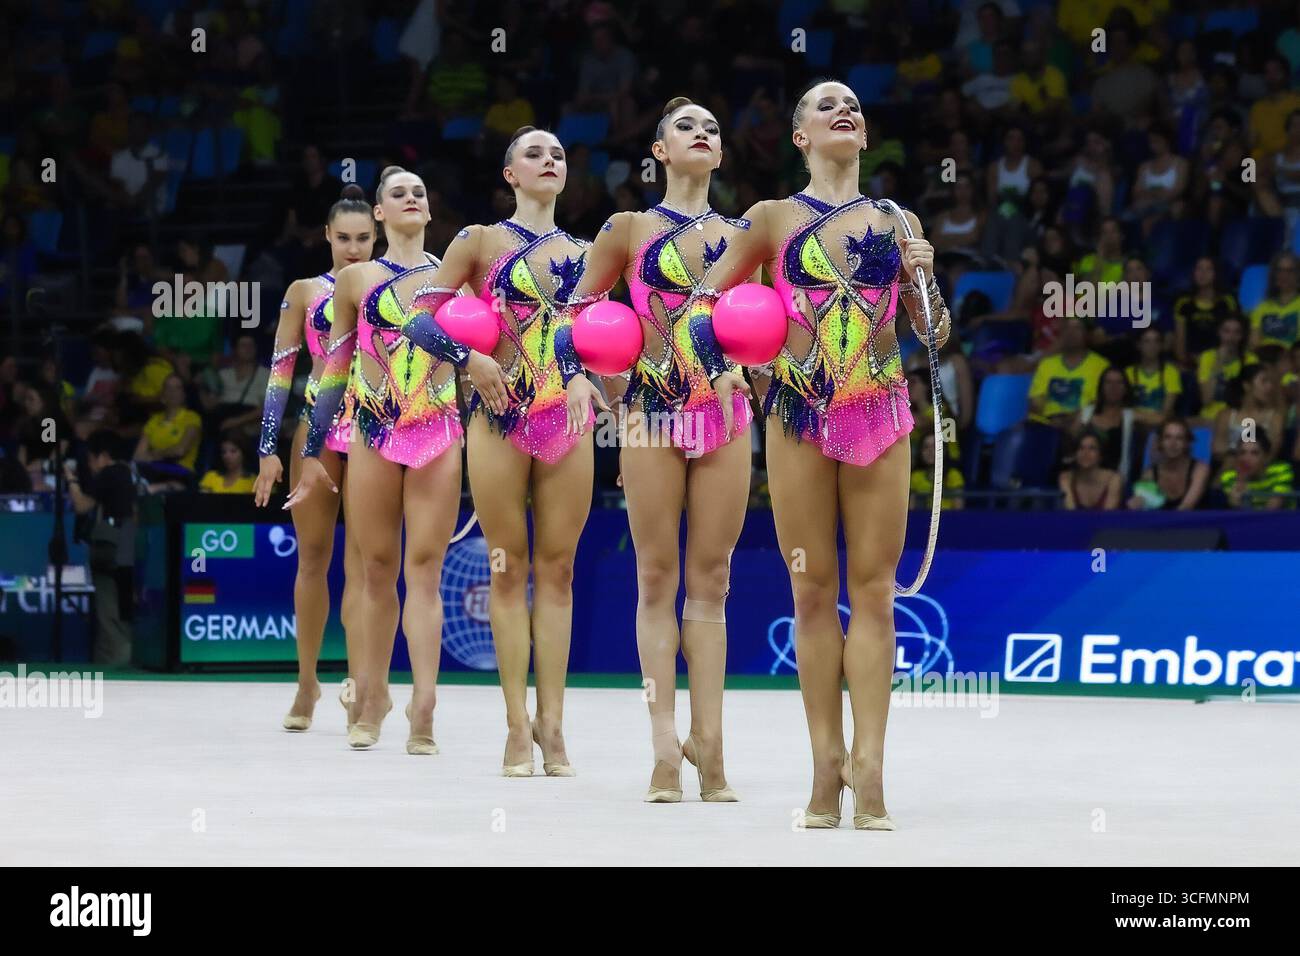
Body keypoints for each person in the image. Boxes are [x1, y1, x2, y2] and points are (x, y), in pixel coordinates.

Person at [694, 79, 951, 829]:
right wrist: (731, 367)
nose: (846, 110)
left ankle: (870, 768)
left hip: (880, 413)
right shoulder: (771, 219)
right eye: (824, 105)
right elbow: (705, 305)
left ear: (864, 138)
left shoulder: (896, 219)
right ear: (800, 136)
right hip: (798, 413)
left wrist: (921, 280)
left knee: (873, 594)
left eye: (856, 108)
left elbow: (931, 339)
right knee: (812, 593)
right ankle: (824, 764)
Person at [337, 130, 596, 777]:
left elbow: (588, 332)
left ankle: (552, 728)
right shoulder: (476, 242)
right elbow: (422, 322)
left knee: (558, 572)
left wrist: (590, 373)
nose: (549, 161)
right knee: (494, 570)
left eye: (559, 154)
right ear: (509, 172)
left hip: (557, 417)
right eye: (534, 154)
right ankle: (509, 727)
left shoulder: (585, 252)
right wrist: (469, 356)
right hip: (491, 415)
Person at [561, 98, 754, 802]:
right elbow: (571, 315)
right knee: (655, 579)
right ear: (660, 151)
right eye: (686, 127)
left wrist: (749, 370)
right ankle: (663, 746)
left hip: (725, 416)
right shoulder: (628, 228)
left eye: (713, 127)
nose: (702, 133)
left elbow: (763, 330)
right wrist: (580, 376)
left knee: (714, 581)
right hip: (648, 415)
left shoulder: (745, 234)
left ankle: (714, 747)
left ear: (720, 154)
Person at [288, 166, 506, 755]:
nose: (411, 199)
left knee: (425, 568)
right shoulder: (357, 279)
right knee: (376, 566)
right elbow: (333, 370)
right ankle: (371, 696)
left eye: (420, 192)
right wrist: (311, 454)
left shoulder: (459, 280)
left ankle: (425, 705)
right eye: (398, 194)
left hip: (437, 431)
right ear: (378, 213)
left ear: (430, 211)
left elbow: (490, 361)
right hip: (371, 431)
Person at [256, 185, 373, 732]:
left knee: (362, 568)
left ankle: (357, 687)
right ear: (327, 236)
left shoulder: (389, 286)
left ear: (376, 235)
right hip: (317, 435)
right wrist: (267, 450)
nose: (353, 249)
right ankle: (306, 682)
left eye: (363, 238)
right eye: (344, 238)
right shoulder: (304, 291)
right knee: (313, 558)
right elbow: (281, 369)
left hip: (376, 431)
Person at [67, 430, 138, 665]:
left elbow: (82, 506)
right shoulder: (133, 473)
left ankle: (114, 660)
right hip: (130, 539)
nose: (90, 465)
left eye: (90, 459)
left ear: (103, 456)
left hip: (110, 542)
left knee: (108, 609)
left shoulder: (110, 472)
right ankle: (124, 656)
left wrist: (71, 480)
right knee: (124, 607)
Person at [133, 373, 201, 486]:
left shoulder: (192, 418)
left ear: (184, 394)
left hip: (181, 471)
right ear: (162, 393)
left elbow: (180, 451)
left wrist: (154, 455)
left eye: (177, 388)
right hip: (153, 469)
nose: (172, 392)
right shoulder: (154, 420)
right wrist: (164, 454)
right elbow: (138, 456)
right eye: (168, 387)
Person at [1127, 418, 1209, 511]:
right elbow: (1144, 509)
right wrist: (1138, 504)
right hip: (1161, 524)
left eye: (1179, 438)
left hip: (1195, 524)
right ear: (1160, 442)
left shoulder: (1200, 469)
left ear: (1187, 443)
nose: (1172, 444)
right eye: (1167, 437)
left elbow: (1186, 507)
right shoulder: (1149, 474)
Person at [1173, 256, 1239, 367]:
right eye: (1199, 269)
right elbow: (1180, 341)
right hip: (1190, 362)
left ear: (1216, 274)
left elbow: (1233, 335)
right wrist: (1187, 360)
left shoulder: (1227, 302)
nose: (1203, 273)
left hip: (1220, 361)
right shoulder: (1183, 303)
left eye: (1208, 269)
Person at [1219, 432, 1295, 510]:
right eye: (1242, 453)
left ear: (1266, 457)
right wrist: (1235, 503)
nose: (1246, 459)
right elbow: (1238, 517)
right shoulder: (1229, 477)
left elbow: (1272, 511)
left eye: (1254, 453)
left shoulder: (1280, 471)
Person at [1248, 251, 1300, 351]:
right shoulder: (1263, 307)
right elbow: (1254, 343)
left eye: (1289, 271)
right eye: (1279, 270)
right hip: (1266, 360)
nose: (1284, 275)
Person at [1058, 430, 1121, 510]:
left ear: (1100, 455)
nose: (1085, 453)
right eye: (1081, 448)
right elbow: (1071, 517)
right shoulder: (1066, 478)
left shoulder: (1114, 479)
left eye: (1092, 448)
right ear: (1075, 454)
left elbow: (1108, 518)